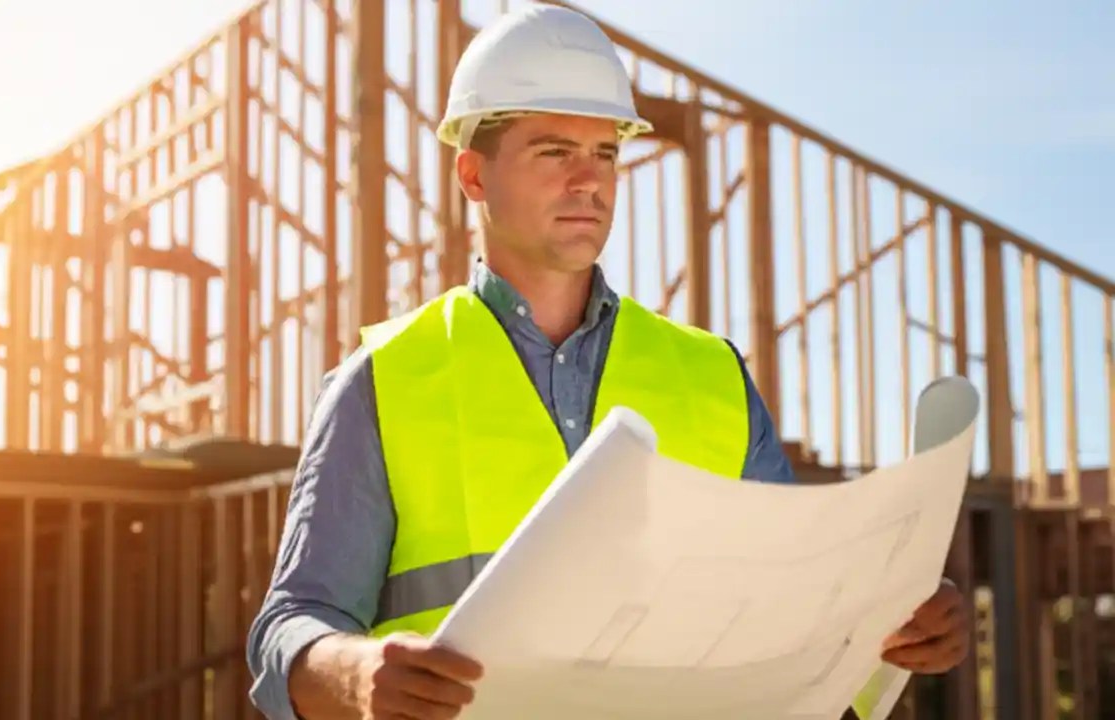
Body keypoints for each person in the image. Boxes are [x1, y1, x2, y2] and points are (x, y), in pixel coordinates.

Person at [247, 6, 968, 719]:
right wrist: (354, 675)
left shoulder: (713, 376)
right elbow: (291, 625)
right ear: (473, 175)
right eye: (554, 152)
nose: (588, 181)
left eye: (606, 154)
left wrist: (892, 622)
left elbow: (795, 612)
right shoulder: (385, 379)